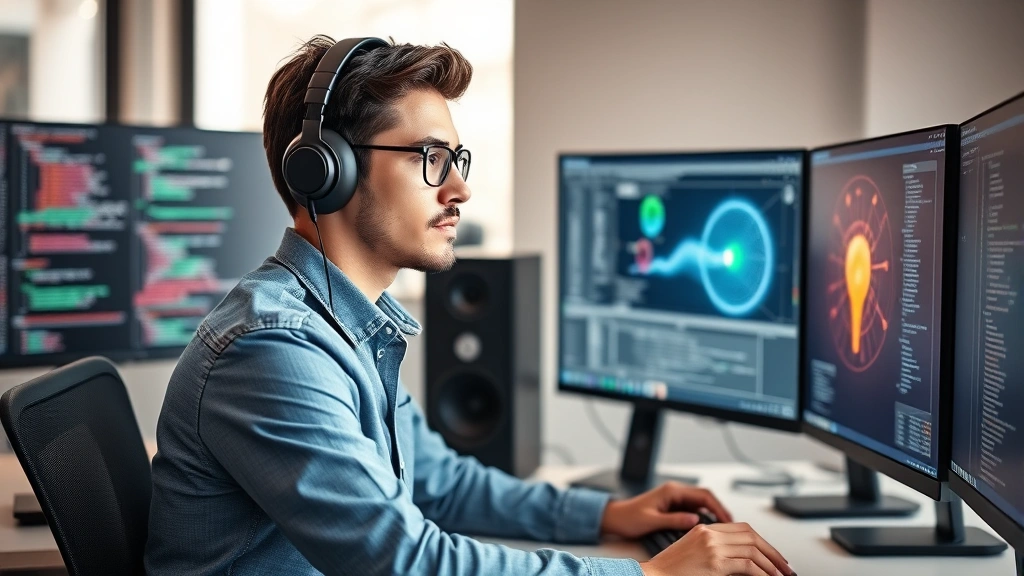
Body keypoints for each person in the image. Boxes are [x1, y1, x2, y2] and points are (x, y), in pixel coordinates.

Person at [145, 35, 795, 576]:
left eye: (455, 159)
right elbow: (405, 562)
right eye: (431, 158)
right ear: (326, 169)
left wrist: (605, 515)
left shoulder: (348, 327)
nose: (459, 188)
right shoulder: (272, 347)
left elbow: (440, 482)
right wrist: (649, 574)